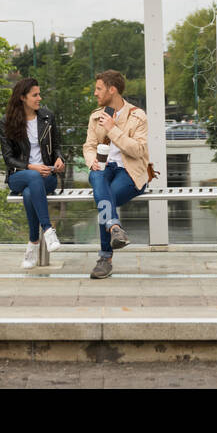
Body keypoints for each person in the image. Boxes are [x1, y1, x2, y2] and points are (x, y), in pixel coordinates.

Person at [82, 69, 151, 279]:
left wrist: (112, 129)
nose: (95, 93)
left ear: (112, 90)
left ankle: (105, 258)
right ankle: (114, 227)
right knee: (97, 178)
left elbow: (138, 150)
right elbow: (89, 146)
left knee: (105, 196)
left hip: (129, 171)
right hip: (103, 169)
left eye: (99, 89)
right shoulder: (95, 117)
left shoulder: (137, 116)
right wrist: (91, 160)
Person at [0, 77, 65, 269]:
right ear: (22, 98)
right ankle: (47, 229)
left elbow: (57, 146)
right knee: (32, 178)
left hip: (47, 177)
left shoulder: (47, 117)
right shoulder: (7, 122)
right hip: (19, 175)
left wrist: (59, 160)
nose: (39, 98)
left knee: (30, 192)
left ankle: (33, 243)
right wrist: (31, 167)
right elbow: (8, 159)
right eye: (35, 95)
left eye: (39, 94)